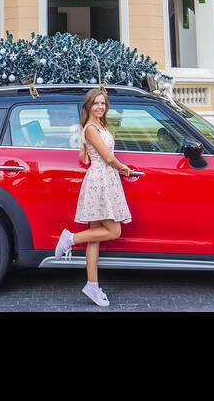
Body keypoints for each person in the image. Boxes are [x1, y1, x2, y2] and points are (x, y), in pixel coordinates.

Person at [54, 87, 133, 306]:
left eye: (103, 103)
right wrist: (123, 167)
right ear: (88, 106)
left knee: (95, 236)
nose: (100, 107)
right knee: (114, 230)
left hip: (105, 180)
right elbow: (107, 157)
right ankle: (70, 239)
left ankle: (92, 285)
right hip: (101, 179)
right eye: (96, 103)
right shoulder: (90, 128)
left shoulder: (100, 125)